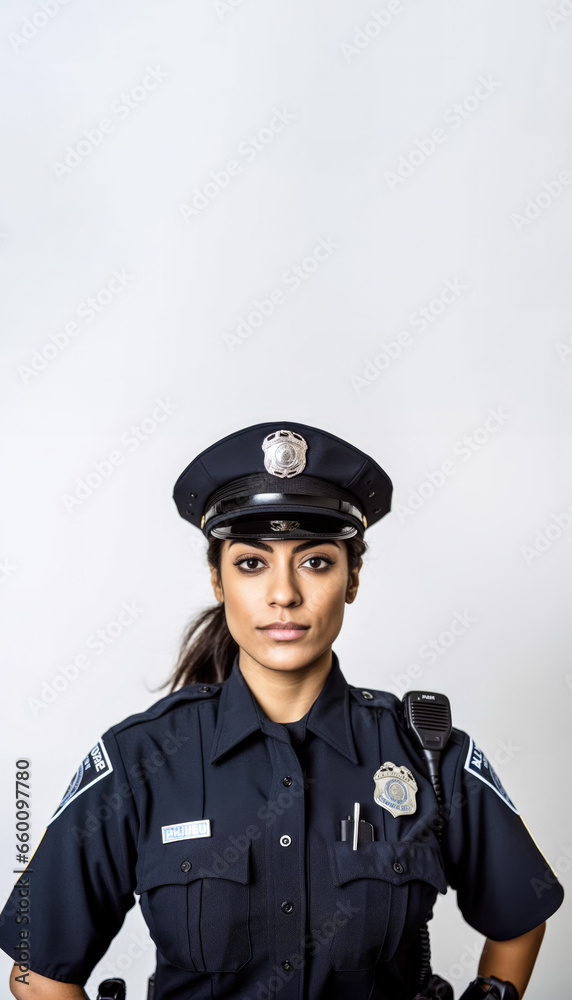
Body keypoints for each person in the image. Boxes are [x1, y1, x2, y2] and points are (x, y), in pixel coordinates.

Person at [0, 420, 564, 1000]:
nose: (284, 594)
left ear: (352, 578)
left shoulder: (428, 751)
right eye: (252, 563)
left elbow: (520, 918)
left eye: (316, 561)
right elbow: (35, 969)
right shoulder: (140, 759)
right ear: (217, 580)